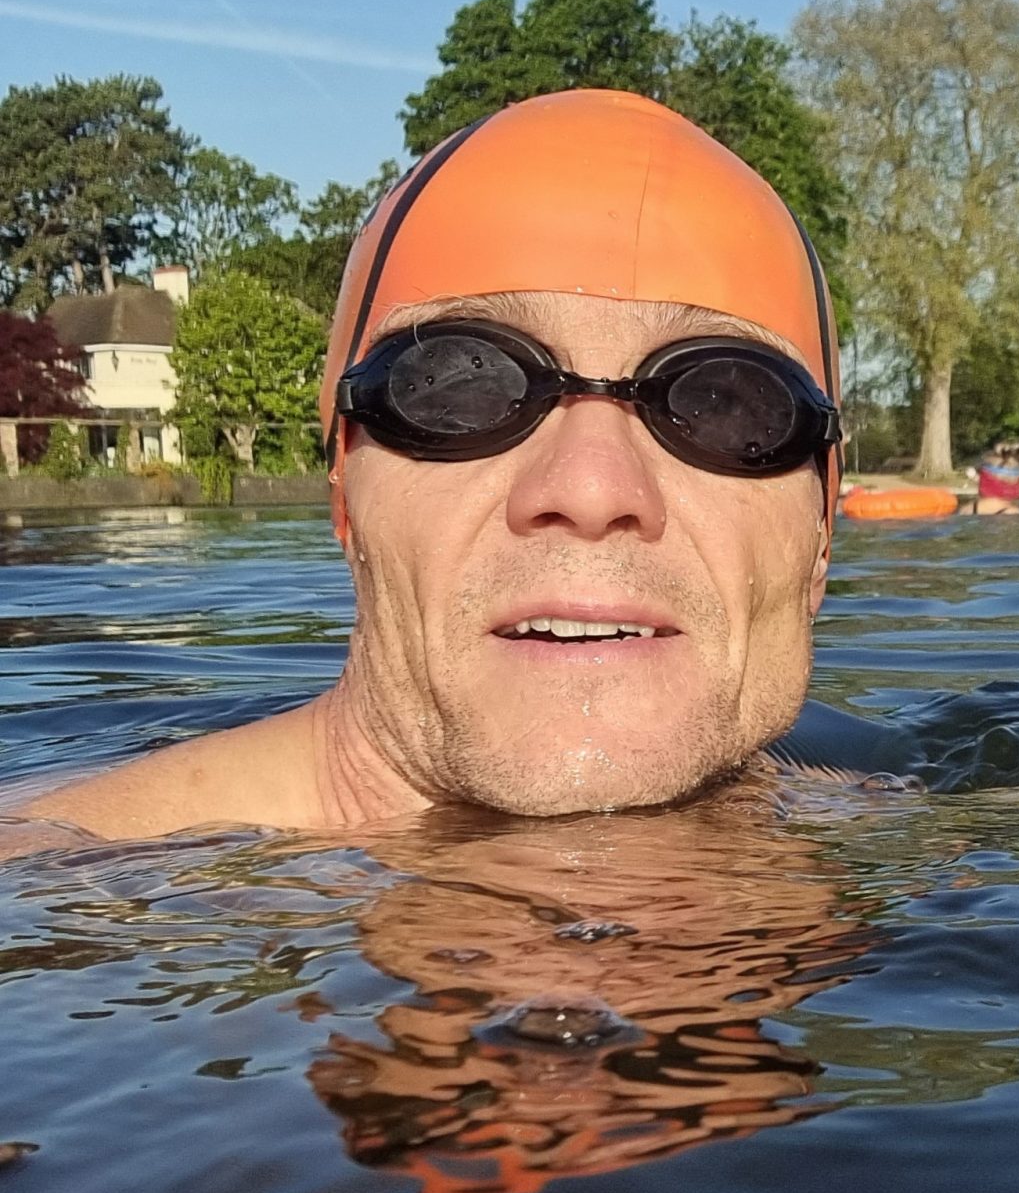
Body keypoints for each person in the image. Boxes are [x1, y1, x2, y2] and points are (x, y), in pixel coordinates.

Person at [15, 90, 845, 839]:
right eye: (460, 388)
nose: (592, 490)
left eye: (729, 404)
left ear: (820, 535)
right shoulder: (63, 888)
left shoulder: (927, 847)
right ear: (345, 493)